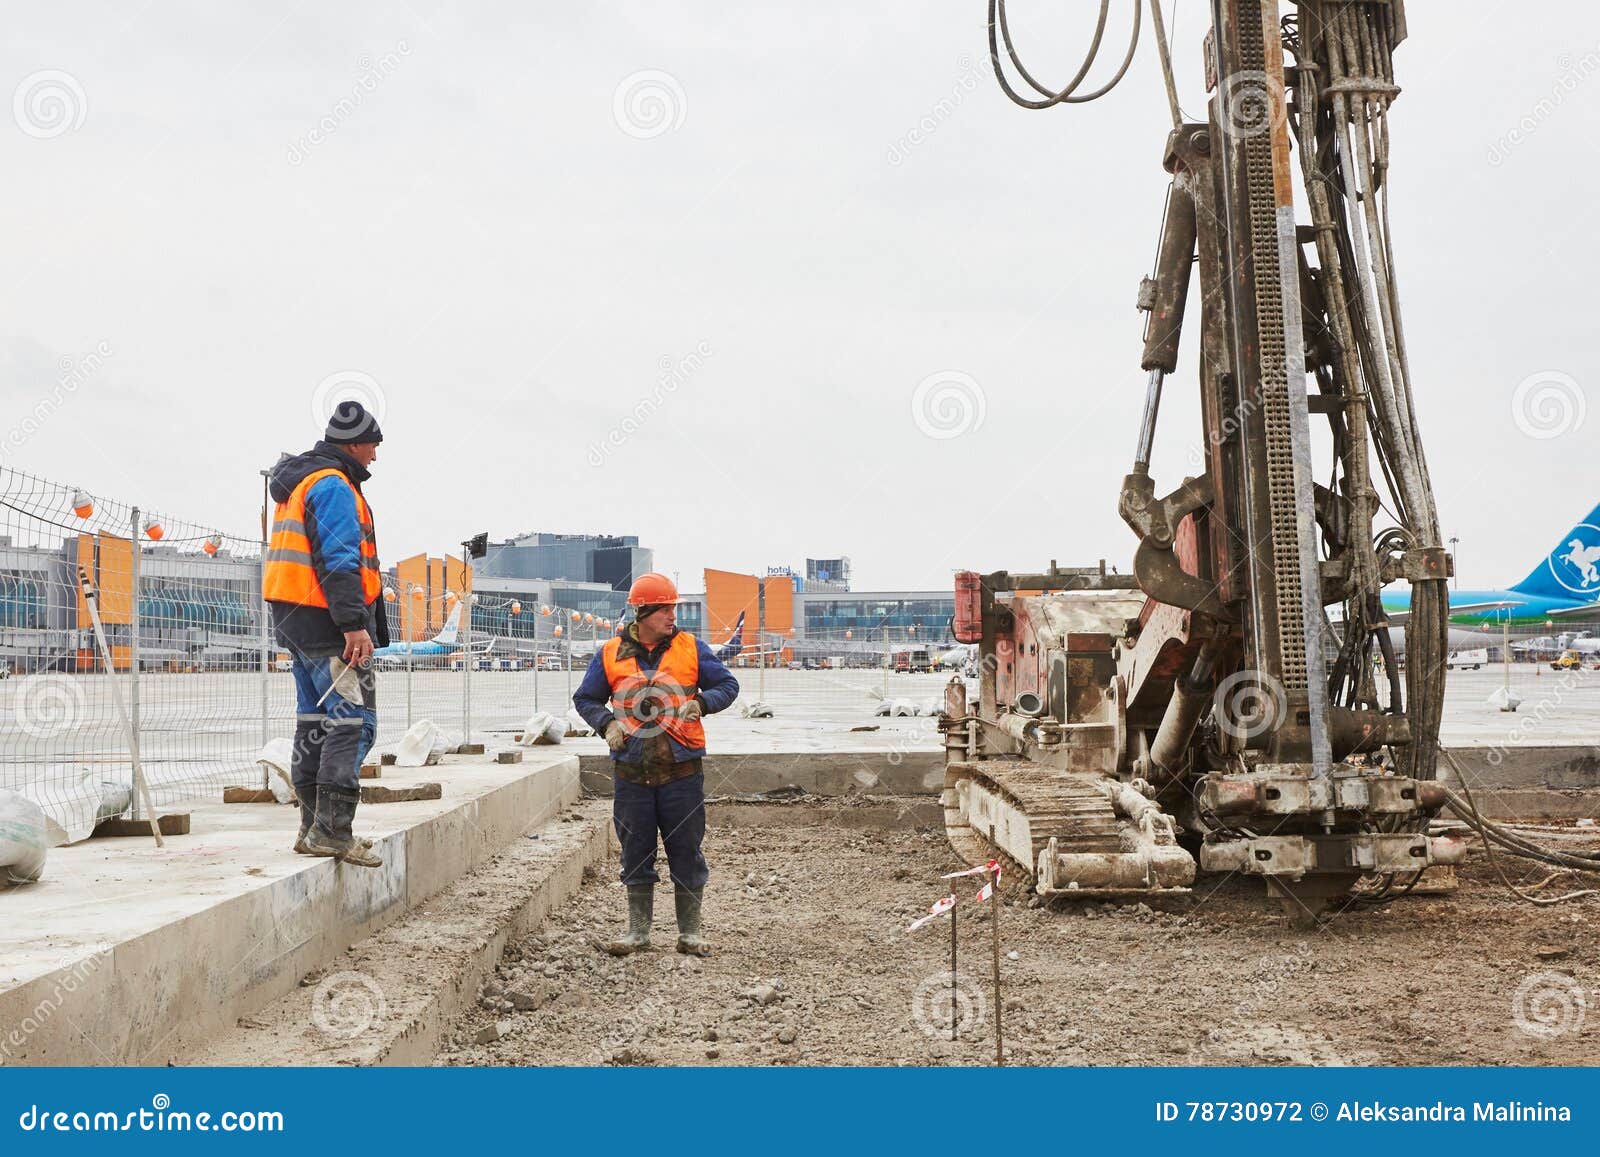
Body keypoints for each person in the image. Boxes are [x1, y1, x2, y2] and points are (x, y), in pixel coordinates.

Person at [572, 573, 739, 955]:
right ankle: (638, 933)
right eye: (665, 609)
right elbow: (586, 699)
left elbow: (728, 686)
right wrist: (607, 724)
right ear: (643, 612)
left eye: (672, 608)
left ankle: (690, 933)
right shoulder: (611, 653)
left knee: (686, 849)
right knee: (635, 850)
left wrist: (702, 703)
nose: (671, 616)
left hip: (681, 773)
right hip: (632, 774)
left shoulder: (691, 648)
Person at [263, 400, 389, 868]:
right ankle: (333, 833)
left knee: (314, 725)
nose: (375, 458)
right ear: (355, 444)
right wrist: (354, 625)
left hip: (297, 624)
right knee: (353, 725)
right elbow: (339, 561)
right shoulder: (334, 486)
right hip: (329, 624)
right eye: (373, 447)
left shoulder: (301, 482)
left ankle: (311, 829)